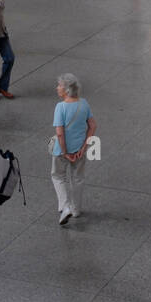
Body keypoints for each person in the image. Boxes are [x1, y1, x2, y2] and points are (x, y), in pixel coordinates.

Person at [51, 73, 96, 225]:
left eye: (59, 86)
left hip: (62, 151)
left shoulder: (60, 107)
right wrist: (85, 147)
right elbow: (92, 126)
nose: (57, 88)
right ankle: (76, 209)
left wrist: (64, 152)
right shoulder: (84, 103)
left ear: (66, 89)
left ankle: (65, 207)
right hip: (79, 150)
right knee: (77, 179)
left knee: (58, 176)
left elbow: (59, 133)